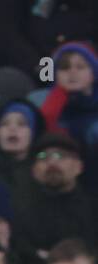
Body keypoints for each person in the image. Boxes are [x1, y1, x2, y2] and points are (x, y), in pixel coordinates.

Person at [10, 132, 97, 264]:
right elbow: (19, 250)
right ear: (34, 170)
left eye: (60, 156)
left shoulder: (93, 206)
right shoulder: (19, 207)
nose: (51, 162)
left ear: (79, 167)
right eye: (43, 157)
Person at [40, 42, 98, 190]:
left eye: (80, 67)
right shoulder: (52, 103)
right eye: (64, 68)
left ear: (94, 74)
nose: (72, 72)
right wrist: (58, 95)